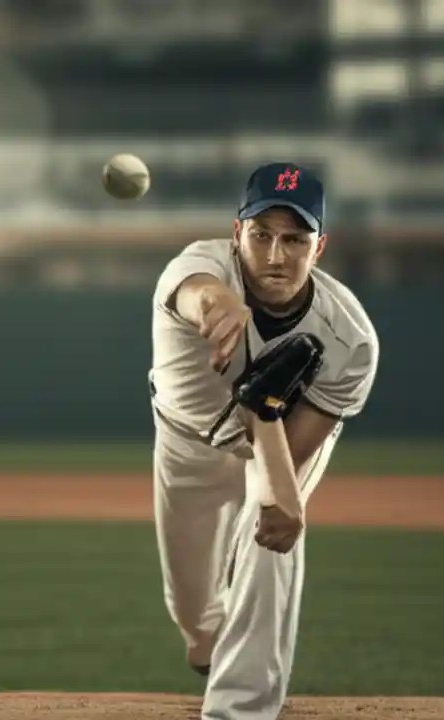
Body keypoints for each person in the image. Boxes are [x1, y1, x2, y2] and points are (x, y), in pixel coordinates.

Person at [148, 162, 380, 719]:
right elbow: (194, 292)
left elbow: (287, 463)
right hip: (186, 442)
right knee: (192, 606)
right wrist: (215, 303)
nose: (276, 254)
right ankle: (206, 646)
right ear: (237, 234)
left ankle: (240, 710)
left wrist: (263, 412)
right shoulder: (199, 266)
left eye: (295, 238)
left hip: (273, 442)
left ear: (319, 247)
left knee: (275, 524)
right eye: (262, 235)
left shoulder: (350, 339)